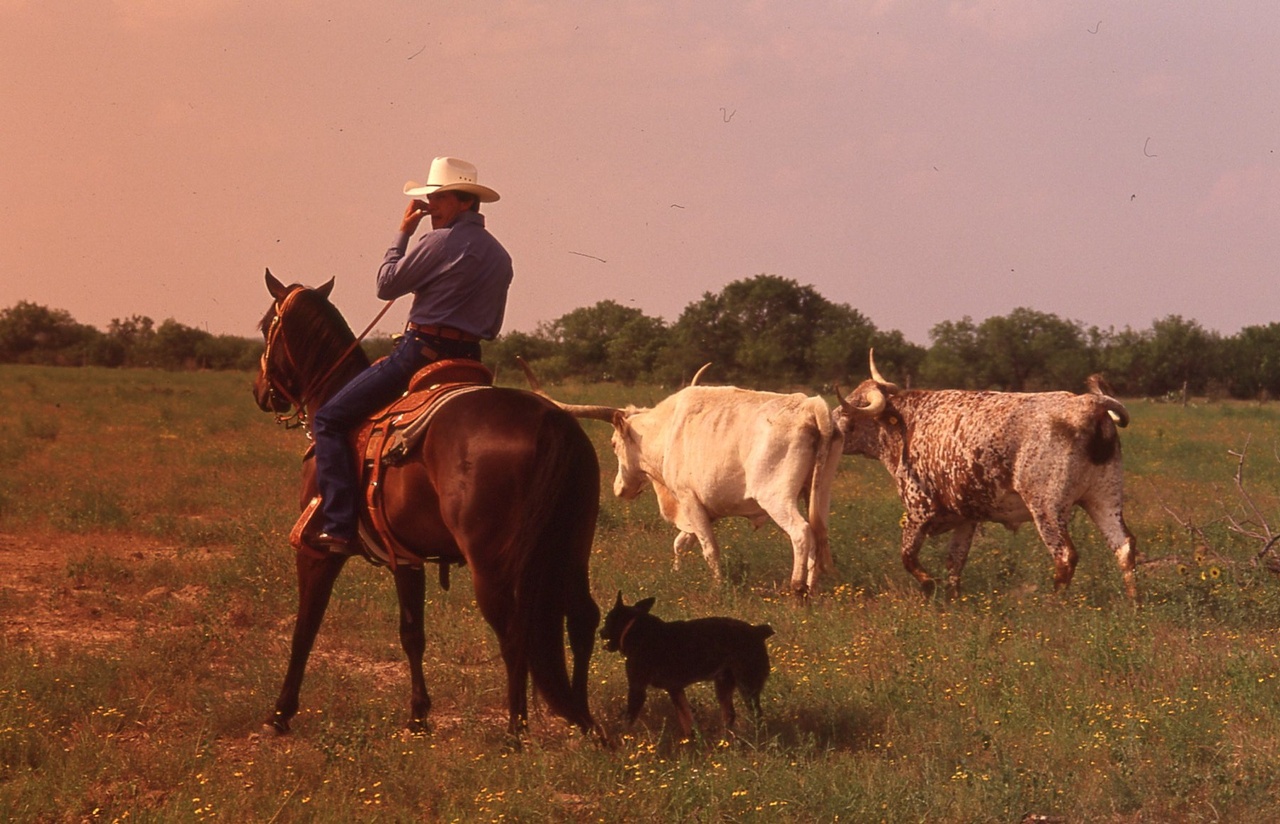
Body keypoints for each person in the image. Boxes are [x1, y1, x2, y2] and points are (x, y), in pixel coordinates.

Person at [309, 156, 512, 553]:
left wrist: (403, 232)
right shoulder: (501, 255)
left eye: (438, 198)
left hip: (420, 354)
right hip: (471, 361)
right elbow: (493, 324)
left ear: (466, 201)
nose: (430, 206)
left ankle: (339, 527)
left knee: (329, 419)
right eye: (430, 198)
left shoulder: (438, 241)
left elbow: (386, 285)